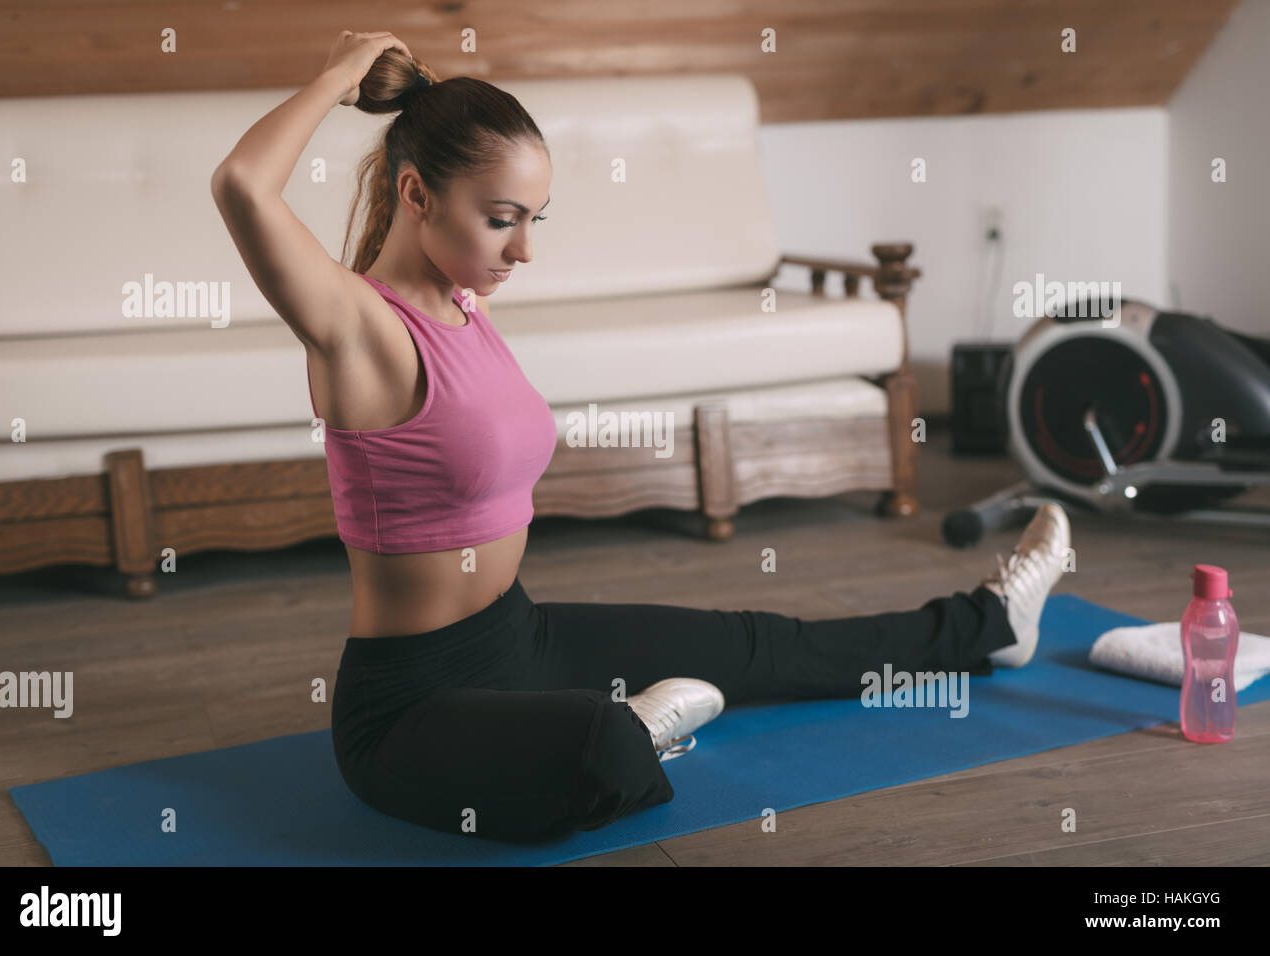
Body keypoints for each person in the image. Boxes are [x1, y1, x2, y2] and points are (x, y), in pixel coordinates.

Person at [210, 31, 1071, 844]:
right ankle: (632, 733)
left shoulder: (463, 305)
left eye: (534, 221)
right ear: (414, 193)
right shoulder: (360, 328)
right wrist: (337, 77)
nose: (523, 250)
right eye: (502, 218)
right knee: (596, 747)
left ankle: (987, 624)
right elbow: (243, 184)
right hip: (409, 706)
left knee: (750, 644)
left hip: (520, 638)